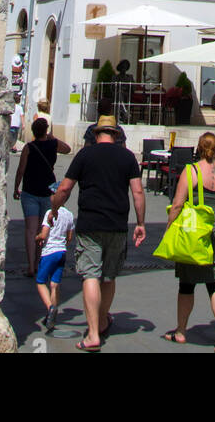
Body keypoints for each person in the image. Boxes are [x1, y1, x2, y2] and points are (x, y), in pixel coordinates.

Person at [49, 114, 145, 352]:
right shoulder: (127, 157)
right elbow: (138, 192)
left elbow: (65, 188)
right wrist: (141, 223)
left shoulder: (84, 154)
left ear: (95, 133)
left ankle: (92, 334)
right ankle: (102, 320)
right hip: (117, 223)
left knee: (91, 275)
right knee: (109, 276)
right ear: (116, 134)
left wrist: (54, 208)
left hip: (90, 223)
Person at [161, 132, 215, 352]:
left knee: (187, 284)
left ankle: (181, 331)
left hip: (195, 231)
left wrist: (169, 228)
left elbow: (177, 204)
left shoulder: (192, 171)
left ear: (198, 147)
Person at [14, 118, 71, 277]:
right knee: (43, 228)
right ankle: (40, 262)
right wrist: (53, 138)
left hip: (30, 192)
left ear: (33, 131)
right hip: (47, 192)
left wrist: (15, 188)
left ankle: (31, 266)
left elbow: (20, 170)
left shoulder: (29, 148)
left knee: (31, 229)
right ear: (46, 130)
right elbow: (67, 149)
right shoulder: (53, 144)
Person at [34, 203, 75, 332]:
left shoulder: (50, 213)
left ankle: (50, 308)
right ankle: (51, 317)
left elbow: (44, 235)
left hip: (49, 252)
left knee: (40, 282)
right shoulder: (69, 215)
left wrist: (37, 237)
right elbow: (69, 237)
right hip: (62, 252)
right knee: (54, 284)